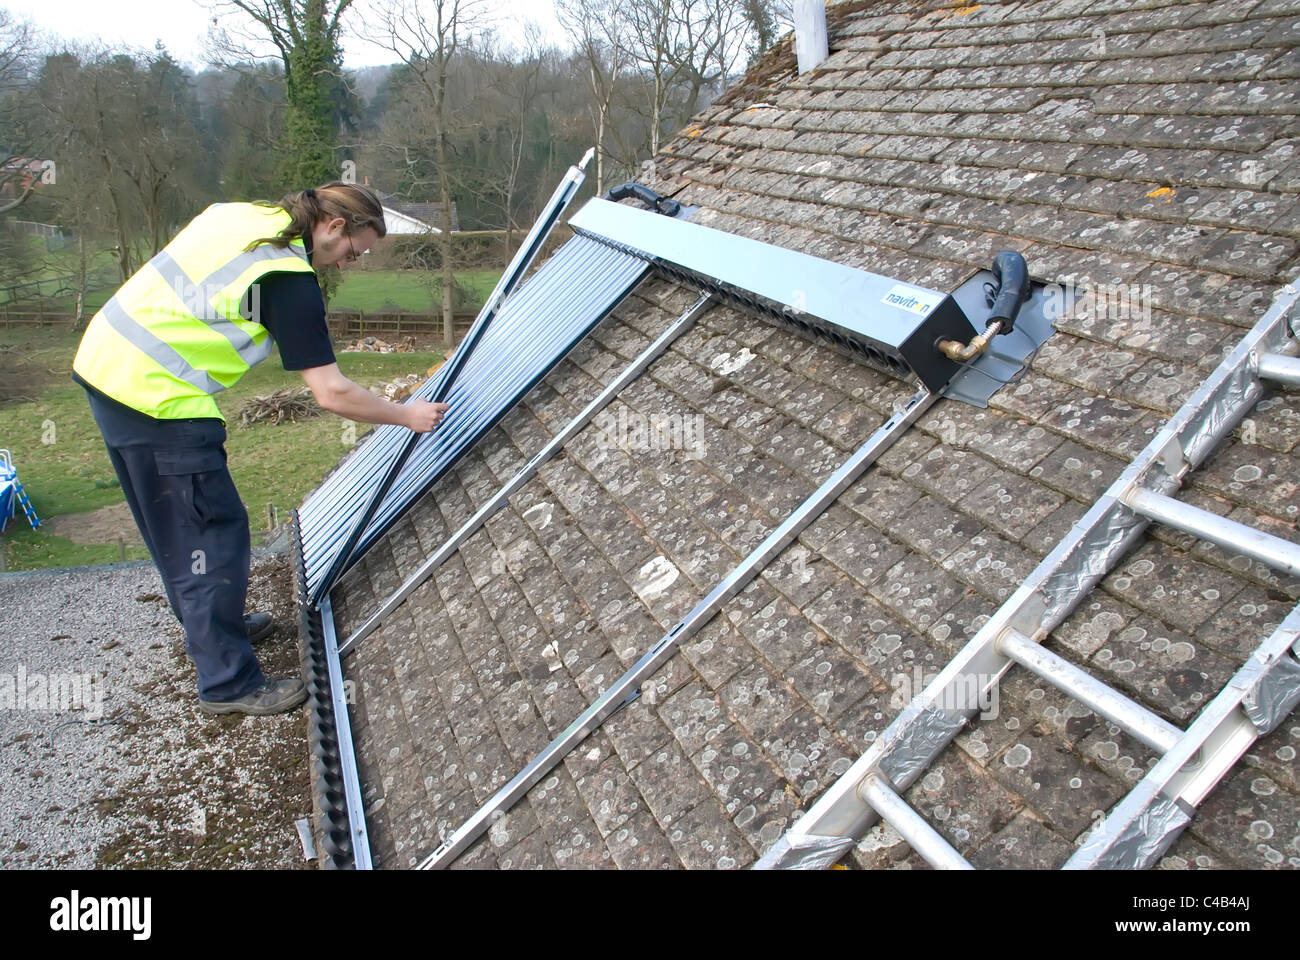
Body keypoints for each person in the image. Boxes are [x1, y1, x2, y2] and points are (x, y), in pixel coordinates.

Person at [71, 182, 449, 716]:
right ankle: (227, 681)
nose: (346, 265)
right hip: (157, 396)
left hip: (108, 364)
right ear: (334, 226)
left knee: (172, 527)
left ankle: (212, 629)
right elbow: (332, 392)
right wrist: (407, 415)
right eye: (351, 252)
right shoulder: (286, 279)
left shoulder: (244, 216)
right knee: (210, 531)